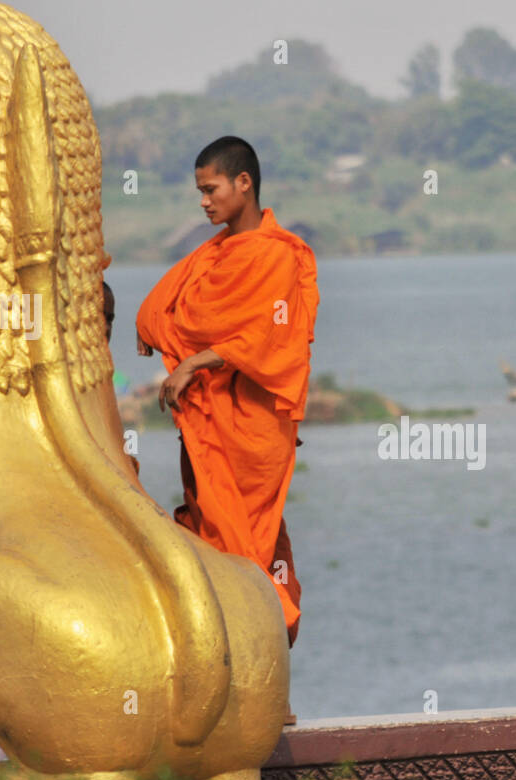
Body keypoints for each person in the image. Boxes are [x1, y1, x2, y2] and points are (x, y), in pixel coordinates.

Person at [135, 137, 318, 726]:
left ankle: (271, 691)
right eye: (199, 193)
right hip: (209, 421)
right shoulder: (211, 256)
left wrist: (196, 361)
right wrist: (169, 340)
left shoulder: (278, 255)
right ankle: (244, 691)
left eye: (210, 190)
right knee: (217, 544)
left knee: (252, 552)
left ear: (243, 184)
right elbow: (163, 310)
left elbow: (273, 337)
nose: (204, 203)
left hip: (254, 429)